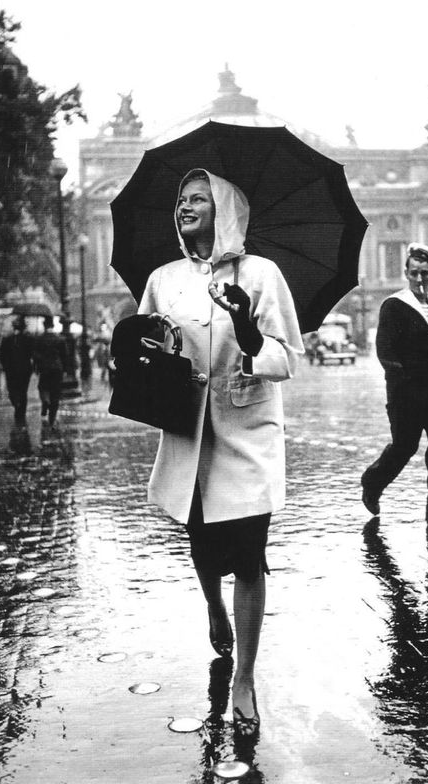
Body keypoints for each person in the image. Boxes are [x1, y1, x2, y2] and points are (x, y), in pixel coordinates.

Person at [137, 168, 303, 737]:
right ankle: (214, 604)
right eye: (181, 199)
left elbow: (286, 359)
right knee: (203, 542)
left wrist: (244, 326)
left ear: (225, 209)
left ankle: (245, 680)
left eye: (199, 200)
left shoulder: (261, 274)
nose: (185, 207)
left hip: (245, 430)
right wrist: (142, 355)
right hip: (189, 431)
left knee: (250, 552)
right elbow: (146, 346)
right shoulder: (163, 278)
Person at [360, 243, 428, 529]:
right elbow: (385, 351)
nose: (419, 279)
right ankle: (373, 481)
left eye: (425, 274)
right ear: (406, 272)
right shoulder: (394, 305)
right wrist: (402, 381)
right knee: (405, 446)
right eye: (414, 272)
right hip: (406, 395)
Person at [0, 316, 35, 425]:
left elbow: (2, 355)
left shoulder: (7, 339)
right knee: (22, 391)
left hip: (11, 369)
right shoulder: (28, 339)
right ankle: (20, 410)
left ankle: (17, 406)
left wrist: (4, 365)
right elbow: (32, 353)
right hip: (24, 369)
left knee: (12, 390)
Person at [33, 315, 67, 427]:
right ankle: (52, 418)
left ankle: (45, 400)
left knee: (42, 387)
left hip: (44, 368)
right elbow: (65, 356)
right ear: (53, 325)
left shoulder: (39, 339)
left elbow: (35, 355)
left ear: (44, 325)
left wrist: (37, 366)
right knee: (55, 393)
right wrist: (65, 369)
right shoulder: (60, 339)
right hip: (57, 369)